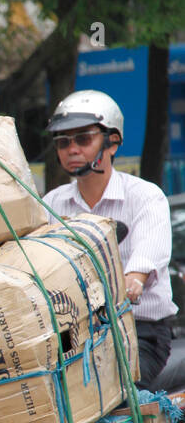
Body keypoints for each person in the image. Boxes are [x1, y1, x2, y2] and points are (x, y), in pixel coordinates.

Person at [42, 88, 174, 389]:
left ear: (112, 143)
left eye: (83, 139)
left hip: (140, 332)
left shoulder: (145, 197)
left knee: (105, 394)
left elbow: (146, 258)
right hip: (74, 335)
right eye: (63, 142)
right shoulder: (51, 205)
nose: (72, 149)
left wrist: (133, 281)